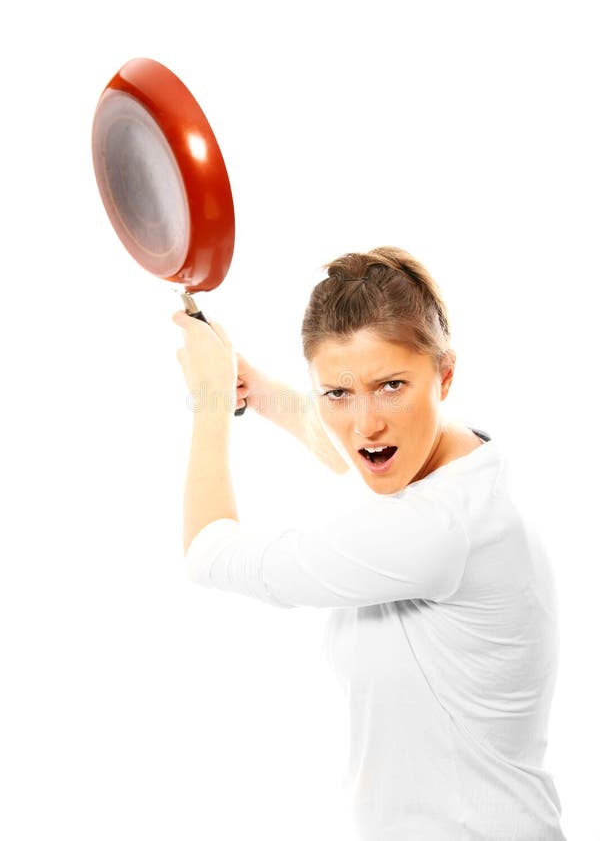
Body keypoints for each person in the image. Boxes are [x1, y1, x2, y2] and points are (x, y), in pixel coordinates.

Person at [172, 246, 566, 840]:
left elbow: (209, 551)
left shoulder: (433, 531)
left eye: (391, 386)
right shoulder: (465, 464)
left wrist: (207, 402)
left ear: (446, 374)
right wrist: (254, 387)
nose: (366, 424)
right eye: (337, 393)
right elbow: (354, 450)